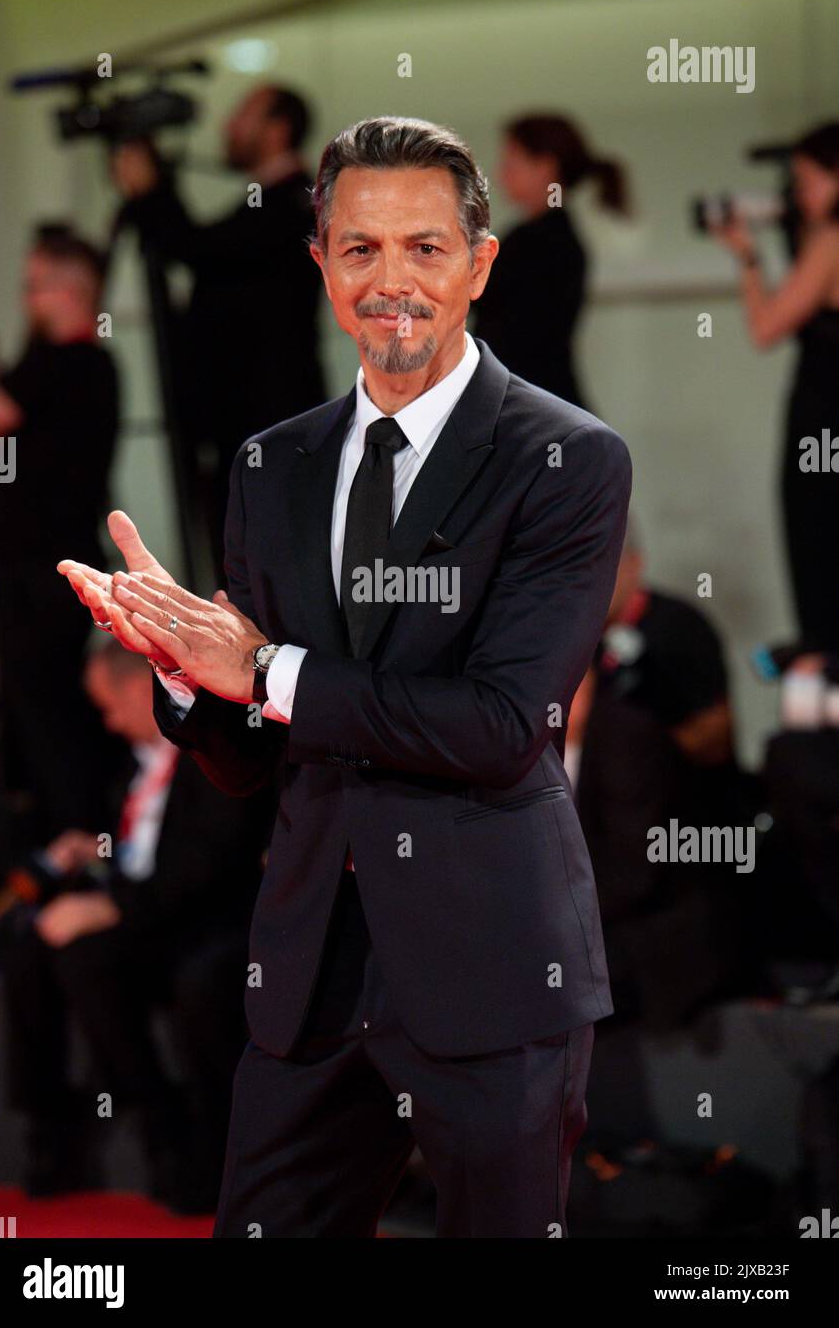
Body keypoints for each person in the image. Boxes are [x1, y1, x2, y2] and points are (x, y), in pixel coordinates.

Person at [59, 115, 632, 1239]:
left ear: (479, 262)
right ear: (320, 263)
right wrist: (189, 678)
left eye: (424, 247)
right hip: (309, 972)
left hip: (493, 970)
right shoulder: (271, 465)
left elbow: (502, 724)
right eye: (359, 249)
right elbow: (256, 751)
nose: (392, 281)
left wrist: (262, 665)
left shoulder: (564, 459)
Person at [0, 639, 268, 1210]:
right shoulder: (129, 772)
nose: (108, 721)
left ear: (133, 690)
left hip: (207, 922)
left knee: (122, 963)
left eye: (108, 704)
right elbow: (135, 853)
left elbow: (215, 861)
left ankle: (190, 1137)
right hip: (151, 917)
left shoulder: (210, 756)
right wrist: (93, 859)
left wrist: (114, 907)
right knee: (42, 948)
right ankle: (79, 1125)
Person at [111, 85, 327, 573]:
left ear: (277, 128)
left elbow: (199, 250)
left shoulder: (291, 205)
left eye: (244, 115)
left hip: (269, 425)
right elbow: (202, 251)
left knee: (269, 573)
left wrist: (151, 191)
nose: (229, 127)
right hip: (249, 426)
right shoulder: (275, 204)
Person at [569, 523, 754, 1033]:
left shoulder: (675, 630)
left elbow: (715, 743)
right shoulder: (568, 641)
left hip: (676, 856)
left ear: (633, 565)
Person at [0, 225, 121, 837]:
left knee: (47, 711)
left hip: (47, 572)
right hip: (40, 566)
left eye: (37, 285)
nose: (27, 299)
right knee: (35, 709)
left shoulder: (71, 361)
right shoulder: (66, 364)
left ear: (72, 289)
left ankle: (76, 843)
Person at [710, 122, 839, 657]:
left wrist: (746, 255)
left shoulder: (832, 238)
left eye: (809, 182)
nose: (800, 195)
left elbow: (766, 327)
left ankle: (823, 660)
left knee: (818, 541)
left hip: (825, 412)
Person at [473, 114, 628, 412]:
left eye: (510, 163)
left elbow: (518, 339)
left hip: (535, 410)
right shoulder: (547, 238)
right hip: (544, 404)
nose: (501, 174)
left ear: (544, 166)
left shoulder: (538, 242)